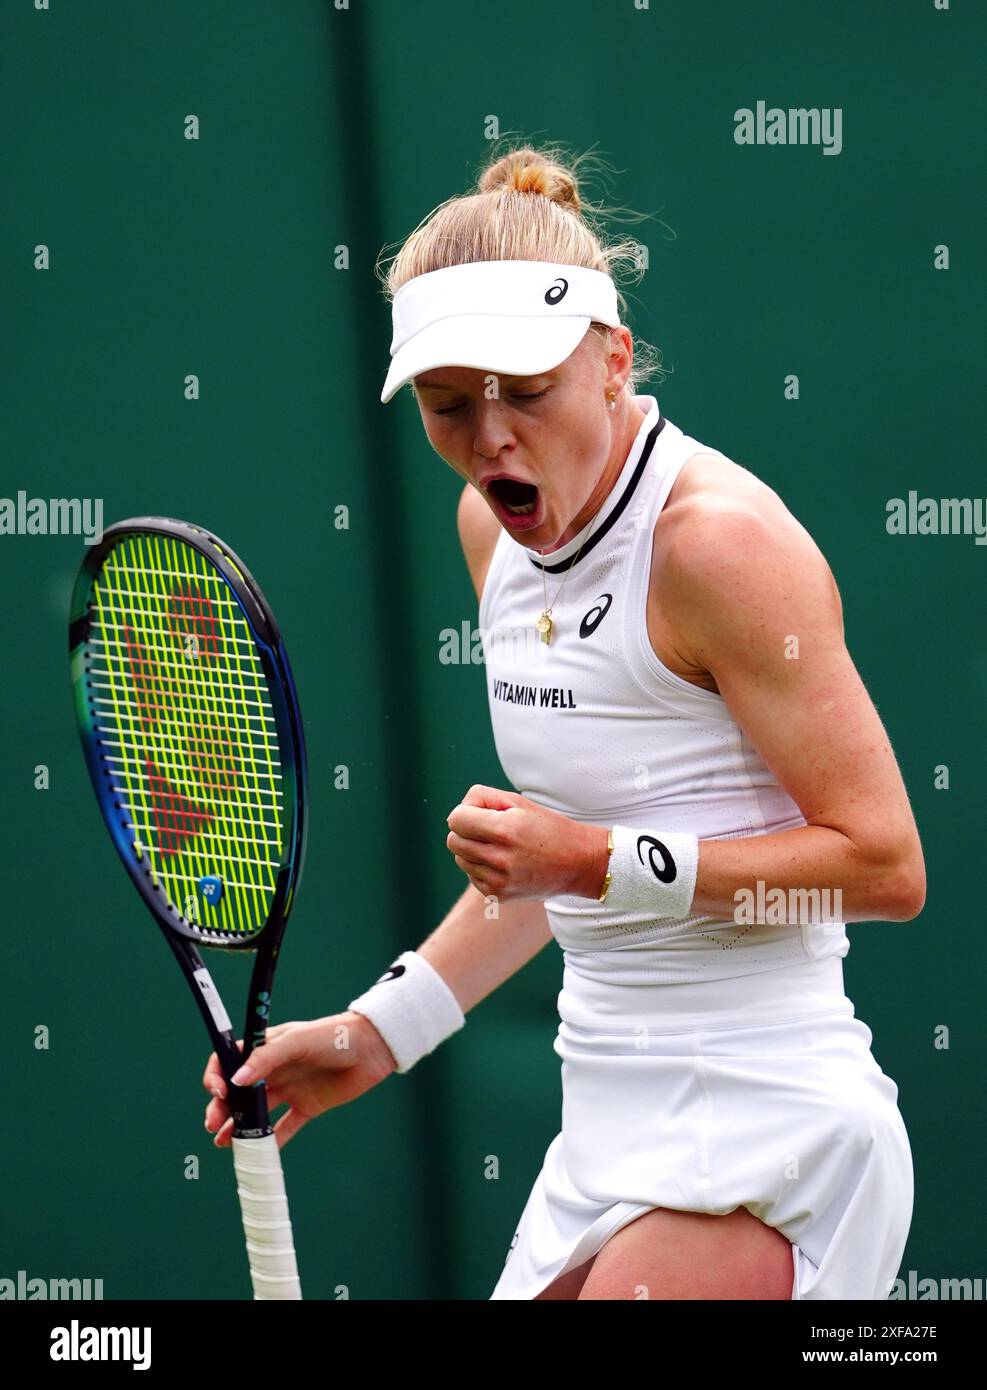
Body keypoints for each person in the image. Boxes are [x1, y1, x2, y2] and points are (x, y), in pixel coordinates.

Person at [203, 142, 924, 1301]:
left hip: (767, 1136)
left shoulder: (718, 548)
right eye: (449, 407)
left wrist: (590, 861)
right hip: (599, 1134)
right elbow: (542, 868)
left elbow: (887, 865)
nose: (490, 441)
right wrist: (376, 1035)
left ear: (612, 363)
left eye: (527, 393)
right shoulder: (491, 534)